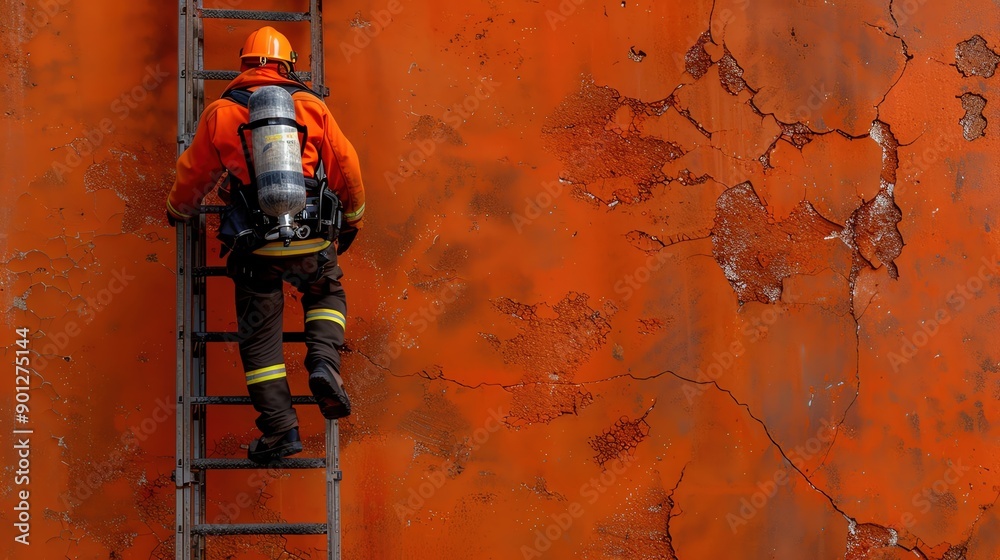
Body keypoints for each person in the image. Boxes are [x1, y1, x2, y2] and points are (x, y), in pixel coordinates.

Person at [166, 26, 366, 463]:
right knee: (326, 292)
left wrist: (178, 210)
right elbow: (345, 164)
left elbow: (194, 174)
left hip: (256, 247)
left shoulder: (220, 112)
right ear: (289, 64)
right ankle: (324, 365)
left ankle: (281, 430)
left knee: (260, 343)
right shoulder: (310, 105)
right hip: (311, 238)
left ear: (243, 64)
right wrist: (352, 217)